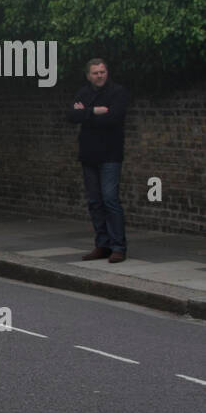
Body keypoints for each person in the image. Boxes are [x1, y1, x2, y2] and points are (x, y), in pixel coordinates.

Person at [68, 58, 129, 263]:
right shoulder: (83, 92)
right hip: (88, 155)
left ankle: (118, 246)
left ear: (107, 72)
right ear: (88, 76)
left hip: (110, 155)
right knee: (94, 202)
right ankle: (102, 245)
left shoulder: (118, 92)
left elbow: (114, 118)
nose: (100, 75)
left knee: (110, 200)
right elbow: (71, 115)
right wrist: (94, 111)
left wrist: (84, 113)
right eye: (95, 73)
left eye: (102, 72)